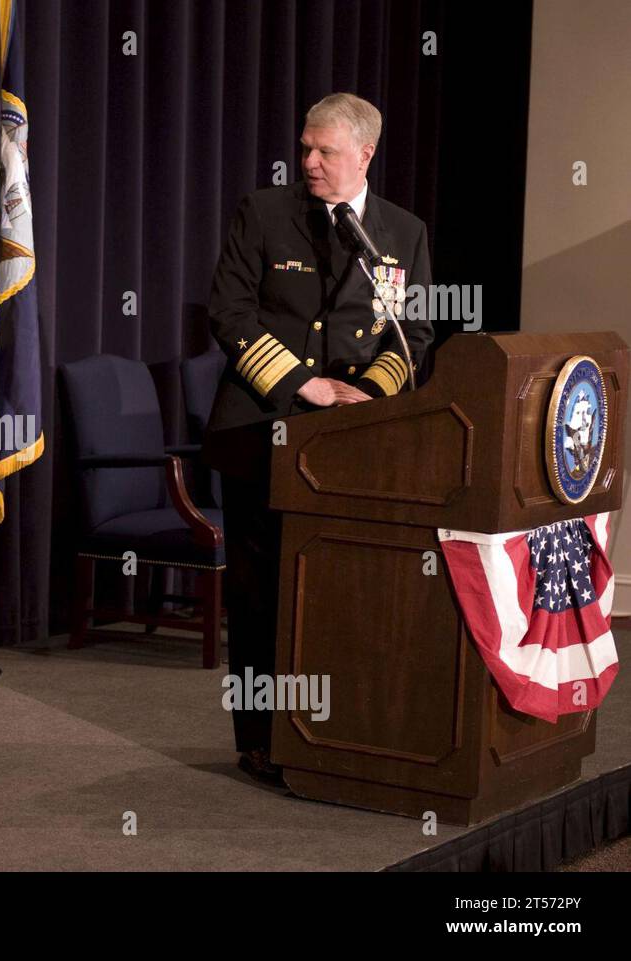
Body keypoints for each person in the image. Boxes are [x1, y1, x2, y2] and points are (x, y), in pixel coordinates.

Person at [204, 93, 435, 784]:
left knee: (340, 590)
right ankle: (260, 740)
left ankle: (331, 735)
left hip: (353, 441)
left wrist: (369, 397)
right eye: (305, 147)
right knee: (261, 597)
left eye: (325, 151)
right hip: (264, 425)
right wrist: (307, 385)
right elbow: (229, 312)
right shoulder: (264, 213)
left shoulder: (402, 232)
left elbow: (414, 332)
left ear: (365, 154)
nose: (308, 162)